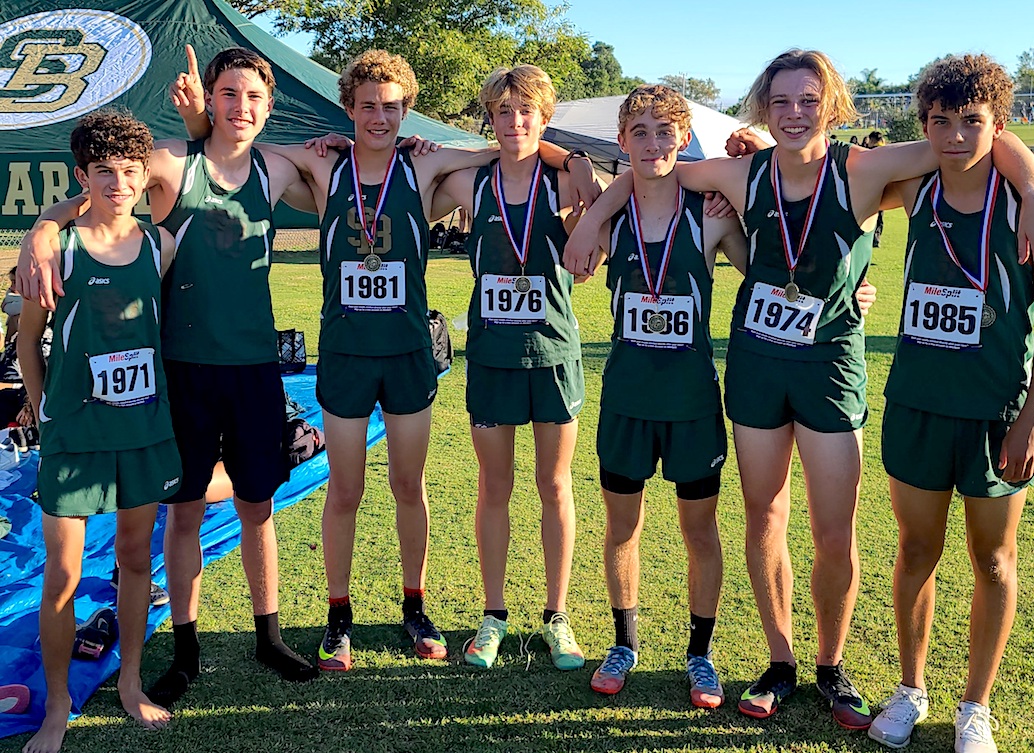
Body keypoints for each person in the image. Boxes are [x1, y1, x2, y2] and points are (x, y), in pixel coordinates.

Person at [563, 48, 1034, 730]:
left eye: (808, 100)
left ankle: (831, 666)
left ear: (830, 103)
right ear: (764, 110)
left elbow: (972, 135)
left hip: (830, 365)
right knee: (764, 517)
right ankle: (780, 660)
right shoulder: (743, 173)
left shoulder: (866, 168)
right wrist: (593, 219)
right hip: (758, 364)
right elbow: (656, 169)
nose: (795, 113)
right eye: (781, 102)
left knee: (835, 531)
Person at [174, 49, 600, 669]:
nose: (380, 117)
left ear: (408, 109)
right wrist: (196, 127)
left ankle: (413, 607)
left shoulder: (427, 168)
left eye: (393, 106)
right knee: (343, 489)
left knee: (409, 485)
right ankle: (338, 616)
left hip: (406, 355)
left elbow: (509, 148)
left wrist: (576, 158)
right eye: (368, 106)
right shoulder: (319, 166)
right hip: (345, 354)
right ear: (348, 107)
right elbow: (235, 152)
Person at [18, 46, 325, 707]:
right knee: (183, 511)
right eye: (229, 93)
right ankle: (185, 649)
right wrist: (39, 231)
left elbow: (353, 174)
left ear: (270, 106)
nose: (242, 106)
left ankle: (268, 635)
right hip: (182, 369)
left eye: (254, 96)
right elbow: (100, 192)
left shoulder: (277, 167)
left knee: (256, 506)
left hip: (253, 369)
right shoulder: (170, 160)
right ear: (207, 99)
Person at [866, 54, 1034, 753]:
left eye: (973, 121)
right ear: (924, 125)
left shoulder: (1030, 203)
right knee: (916, 548)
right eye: (941, 121)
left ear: (999, 124)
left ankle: (975, 704)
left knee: (993, 560)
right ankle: (910, 687)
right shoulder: (915, 184)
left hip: (997, 410)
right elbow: (834, 171)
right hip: (918, 404)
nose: (955, 136)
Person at [570, 84, 749, 707]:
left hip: (693, 404)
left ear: (683, 138)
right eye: (638, 132)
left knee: (700, 532)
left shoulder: (712, 214)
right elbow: (572, 253)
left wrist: (852, 291)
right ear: (621, 142)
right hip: (626, 400)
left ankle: (700, 654)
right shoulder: (608, 220)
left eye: (664, 130)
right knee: (622, 527)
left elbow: (775, 270)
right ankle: (624, 641)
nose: (652, 143)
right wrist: (586, 210)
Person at [426, 65, 607, 670]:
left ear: (545, 114)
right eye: (503, 111)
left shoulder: (568, 182)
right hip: (493, 356)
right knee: (494, 487)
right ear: (491, 118)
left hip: (554, 352)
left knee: (554, 486)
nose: (516, 121)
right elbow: (427, 167)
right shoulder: (470, 186)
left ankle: (558, 615)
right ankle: (494, 614)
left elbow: (594, 253)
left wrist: (574, 165)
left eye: (526, 110)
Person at [18, 108, 179, 753]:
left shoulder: (160, 245)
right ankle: (57, 705)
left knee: (136, 560)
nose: (118, 183)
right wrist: (43, 409)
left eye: (129, 171)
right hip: (76, 436)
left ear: (144, 177)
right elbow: (29, 343)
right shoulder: (55, 249)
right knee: (61, 573)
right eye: (103, 172)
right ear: (81, 175)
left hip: (143, 430)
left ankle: (131, 682)